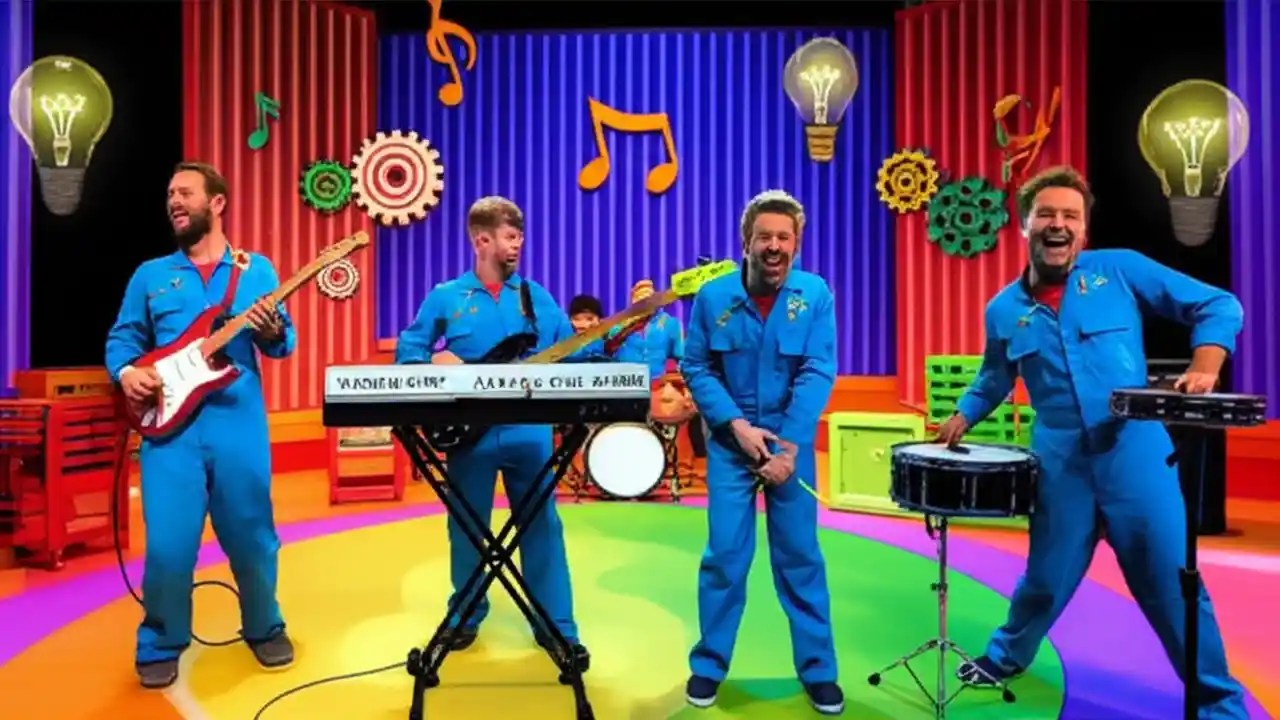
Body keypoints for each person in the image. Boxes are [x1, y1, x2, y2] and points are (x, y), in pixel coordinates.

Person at [938, 165, 1248, 718]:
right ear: (1025, 225)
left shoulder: (1119, 271)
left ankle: (1219, 704)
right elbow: (994, 377)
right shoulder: (1003, 308)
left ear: (1084, 230)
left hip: (1137, 456)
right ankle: (1005, 657)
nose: (1058, 225)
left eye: (1071, 217)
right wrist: (962, 415)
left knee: (1174, 586)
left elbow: (1217, 305)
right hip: (1059, 464)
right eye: (1046, 215)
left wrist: (1206, 363)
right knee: (1044, 579)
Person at [105, 162, 296, 689]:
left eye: (185, 192)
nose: (174, 201)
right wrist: (127, 373)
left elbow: (283, 344)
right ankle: (161, 639)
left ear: (217, 203)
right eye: (170, 194)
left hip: (239, 424)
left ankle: (264, 626)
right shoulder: (150, 275)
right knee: (168, 543)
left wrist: (273, 328)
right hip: (169, 433)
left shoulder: (255, 270)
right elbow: (123, 340)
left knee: (254, 537)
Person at [395, 196, 600, 666]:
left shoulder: (536, 296)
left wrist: (616, 334)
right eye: (510, 237)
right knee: (466, 527)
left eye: (520, 237)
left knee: (542, 526)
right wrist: (430, 362)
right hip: (470, 438)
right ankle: (464, 618)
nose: (517, 245)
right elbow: (409, 350)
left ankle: (557, 628)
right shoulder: (447, 296)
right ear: (481, 239)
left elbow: (571, 353)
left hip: (531, 433)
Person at [680, 189, 843, 714]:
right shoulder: (713, 297)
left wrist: (788, 447)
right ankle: (709, 665)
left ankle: (819, 671)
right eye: (764, 236)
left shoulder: (815, 294)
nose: (774, 246)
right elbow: (697, 367)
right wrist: (736, 427)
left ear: (796, 244)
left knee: (800, 557)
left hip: (790, 445)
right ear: (745, 242)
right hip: (732, 446)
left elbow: (818, 369)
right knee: (725, 556)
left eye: (784, 237)